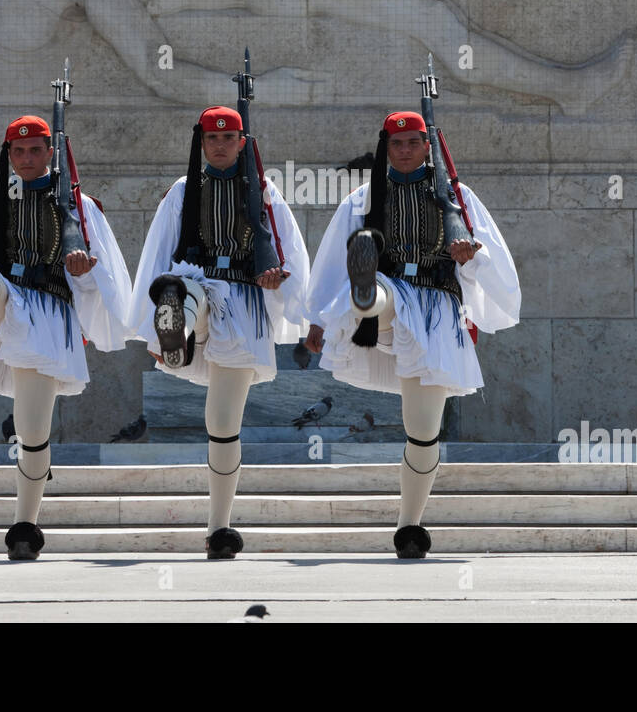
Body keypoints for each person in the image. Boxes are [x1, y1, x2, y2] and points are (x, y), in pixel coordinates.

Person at [303, 111, 520, 558]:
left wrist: (469, 256)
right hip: (390, 291)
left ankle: (410, 526)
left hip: (437, 309)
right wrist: (318, 318)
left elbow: (493, 262)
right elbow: (328, 260)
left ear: (428, 146)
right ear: (386, 146)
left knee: (423, 432)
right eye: (396, 143)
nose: (404, 151)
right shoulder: (364, 199)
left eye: (413, 143)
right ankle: (363, 294)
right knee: (377, 293)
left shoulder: (458, 197)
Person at [0, 115, 132, 560]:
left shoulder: (78, 208)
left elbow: (110, 277)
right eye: (18, 152)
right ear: (8, 155)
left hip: (47, 318)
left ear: (50, 153)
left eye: (35, 150)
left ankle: (25, 525)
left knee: (33, 431)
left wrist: (83, 272)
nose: (26, 159)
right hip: (5, 306)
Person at [127, 106, 309, 559]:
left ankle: (219, 529)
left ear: (243, 142)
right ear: (202, 143)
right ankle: (176, 333)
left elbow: (289, 256)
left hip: (244, 303)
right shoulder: (183, 192)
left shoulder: (265, 192)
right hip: (196, 287)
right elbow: (158, 256)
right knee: (183, 289)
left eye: (229, 138)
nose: (221, 145)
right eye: (213, 138)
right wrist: (152, 334)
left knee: (223, 424)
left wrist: (278, 279)